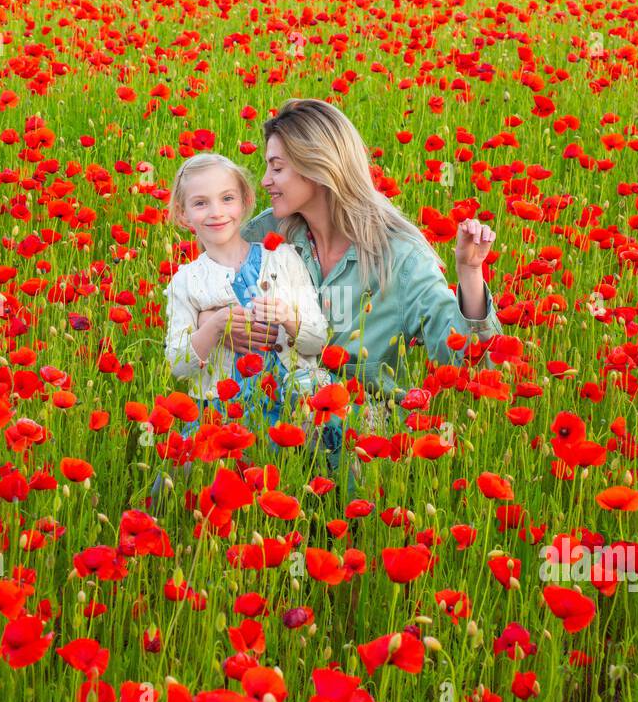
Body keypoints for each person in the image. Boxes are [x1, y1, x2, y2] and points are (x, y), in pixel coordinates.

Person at [196, 98, 504, 479]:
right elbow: (203, 298)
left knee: (322, 411)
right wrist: (217, 320)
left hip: (363, 426)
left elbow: (469, 363)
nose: (265, 181)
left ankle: (344, 531)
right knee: (204, 429)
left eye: (277, 167)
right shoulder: (264, 236)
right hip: (275, 407)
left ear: (317, 166)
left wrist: (470, 275)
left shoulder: (400, 257)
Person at [162, 152, 333, 442]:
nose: (216, 212)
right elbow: (178, 366)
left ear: (245, 202)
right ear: (182, 213)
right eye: (201, 203)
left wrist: (289, 319)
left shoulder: (283, 258)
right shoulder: (186, 282)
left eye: (227, 198)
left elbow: (317, 340)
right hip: (223, 410)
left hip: (293, 403)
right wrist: (214, 327)